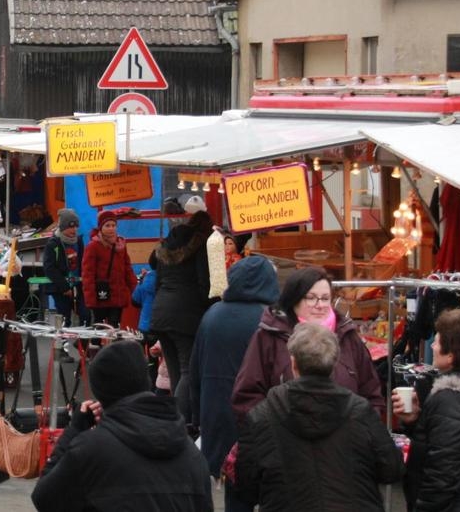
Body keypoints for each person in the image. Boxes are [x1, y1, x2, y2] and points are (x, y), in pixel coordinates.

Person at [236, 322, 404, 509]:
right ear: (334, 365)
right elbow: (391, 469)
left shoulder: (262, 417)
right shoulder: (360, 412)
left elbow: (245, 486)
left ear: (293, 363)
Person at [31, 340, 213, 511]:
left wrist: (74, 431)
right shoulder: (191, 453)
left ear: (102, 395)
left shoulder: (92, 450)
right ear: (145, 381)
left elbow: (44, 499)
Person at [233, 267, 385, 422]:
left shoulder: (348, 336)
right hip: (286, 441)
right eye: (311, 298)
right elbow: (247, 397)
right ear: (294, 300)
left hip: (343, 442)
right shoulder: (269, 337)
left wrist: (360, 432)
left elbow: (372, 395)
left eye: (325, 298)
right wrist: (272, 432)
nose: (319, 305)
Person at [189, 255, 279, 512]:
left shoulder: (212, 315)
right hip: (261, 422)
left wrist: (198, 419)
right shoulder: (271, 319)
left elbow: (195, 372)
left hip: (217, 417)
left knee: (234, 492)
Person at [393, 308, 460, 511]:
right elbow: (457, 446)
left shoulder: (450, 399)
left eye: (437, 341)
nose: (433, 346)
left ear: (452, 355)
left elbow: (442, 475)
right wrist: (416, 420)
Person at [149, 209, 213, 424]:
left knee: (175, 370)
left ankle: (175, 420)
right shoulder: (200, 246)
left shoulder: (165, 248)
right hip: (185, 315)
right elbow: (205, 284)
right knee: (187, 370)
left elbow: (157, 284)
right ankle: (181, 421)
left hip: (160, 313)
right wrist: (212, 306)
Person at [82, 209, 138, 327]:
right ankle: (90, 344)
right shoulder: (93, 246)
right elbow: (88, 274)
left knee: (114, 327)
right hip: (101, 295)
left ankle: (110, 345)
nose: (111, 228)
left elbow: (127, 269)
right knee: (99, 328)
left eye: (113, 225)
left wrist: (135, 291)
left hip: (118, 295)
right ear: (100, 228)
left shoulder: (121, 246)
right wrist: (90, 299)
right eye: (107, 225)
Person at [43, 208, 85, 325]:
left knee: (85, 315)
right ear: (62, 227)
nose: (74, 229)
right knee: (64, 318)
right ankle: (62, 341)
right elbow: (49, 268)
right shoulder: (53, 244)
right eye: (70, 226)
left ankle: (82, 342)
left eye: (76, 226)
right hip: (60, 288)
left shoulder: (79, 242)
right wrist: (64, 287)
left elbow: (83, 263)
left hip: (78, 285)